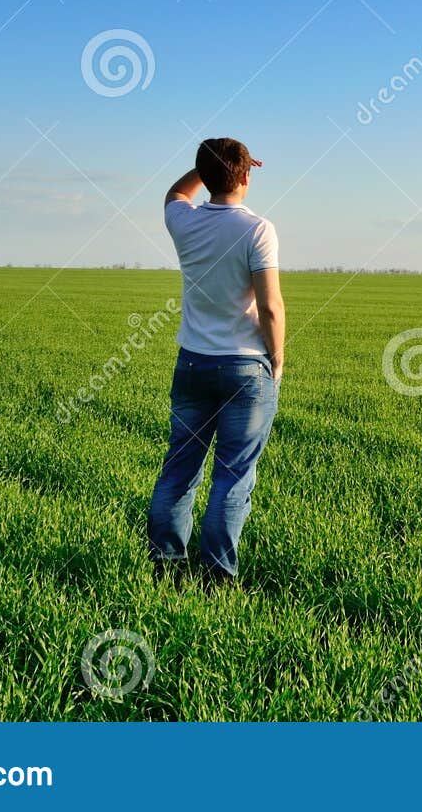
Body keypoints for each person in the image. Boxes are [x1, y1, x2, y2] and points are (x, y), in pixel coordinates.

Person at [148, 138, 285, 586]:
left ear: (205, 177)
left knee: (180, 470)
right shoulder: (258, 230)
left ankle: (166, 568)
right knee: (232, 477)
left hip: (192, 365)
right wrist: (277, 358)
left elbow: (175, 193)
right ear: (246, 176)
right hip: (246, 369)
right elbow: (270, 307)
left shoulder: (183, 222)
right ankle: (217, 578)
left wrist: (208, 165)